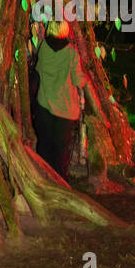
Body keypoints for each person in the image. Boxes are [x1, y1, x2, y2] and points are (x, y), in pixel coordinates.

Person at [32, 19, 90, 180]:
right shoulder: (71, 53)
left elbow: (38, 69)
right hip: (65, 108)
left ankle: (44, 179)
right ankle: (60, 181)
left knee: (44, 145)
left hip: (44, 104)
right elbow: (78, 80)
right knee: (61, 150)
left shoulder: (43, 47)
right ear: (65, 30)